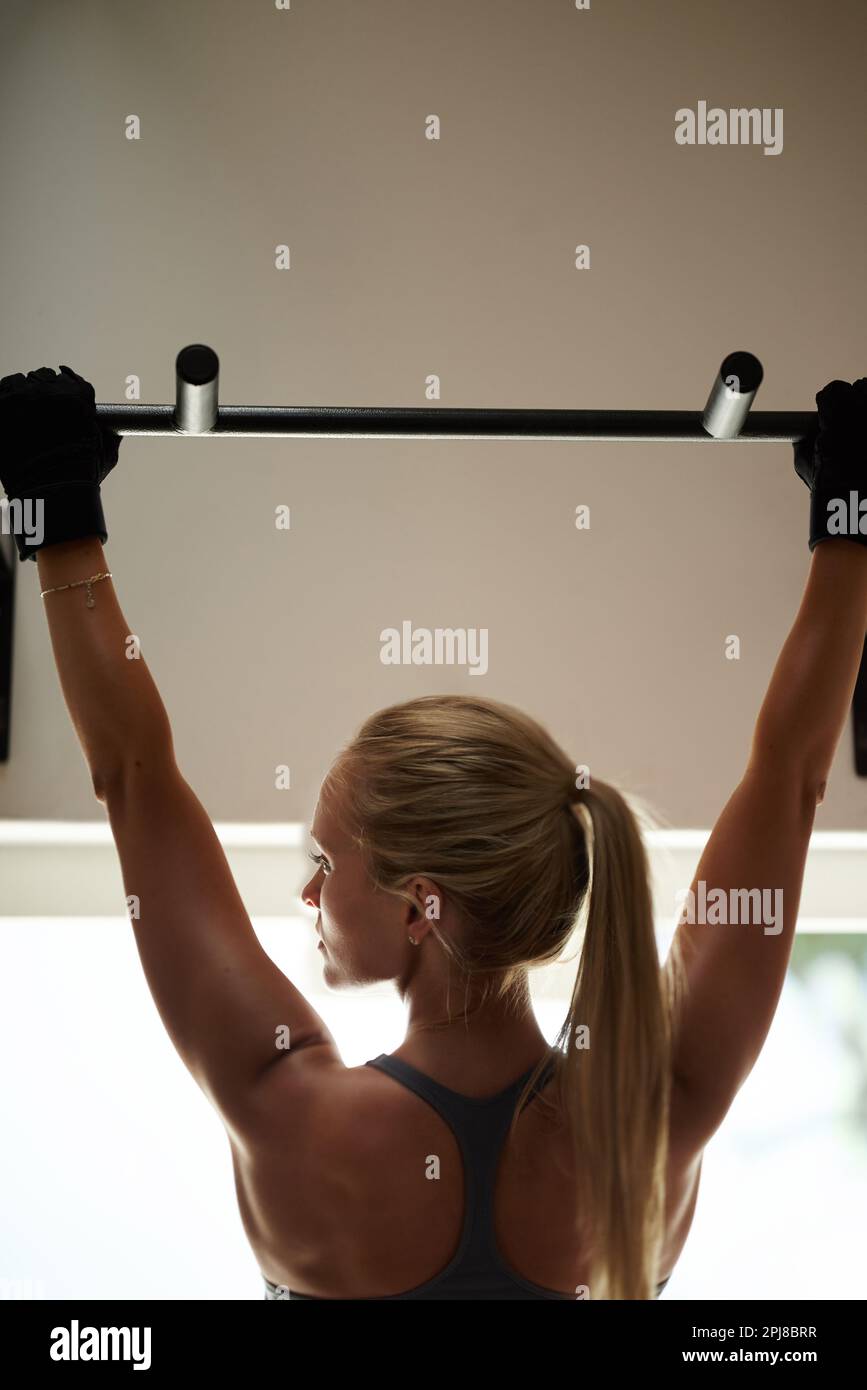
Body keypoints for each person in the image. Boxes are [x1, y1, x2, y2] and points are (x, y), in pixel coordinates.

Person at [1, 367, 866, 1300]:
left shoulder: (291, 1113)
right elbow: (790, 780)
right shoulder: (651, 1119)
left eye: (326, 862)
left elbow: (134, 775)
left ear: (422, 903)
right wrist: (849, 520)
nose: (306, 894)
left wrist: (60, 505)